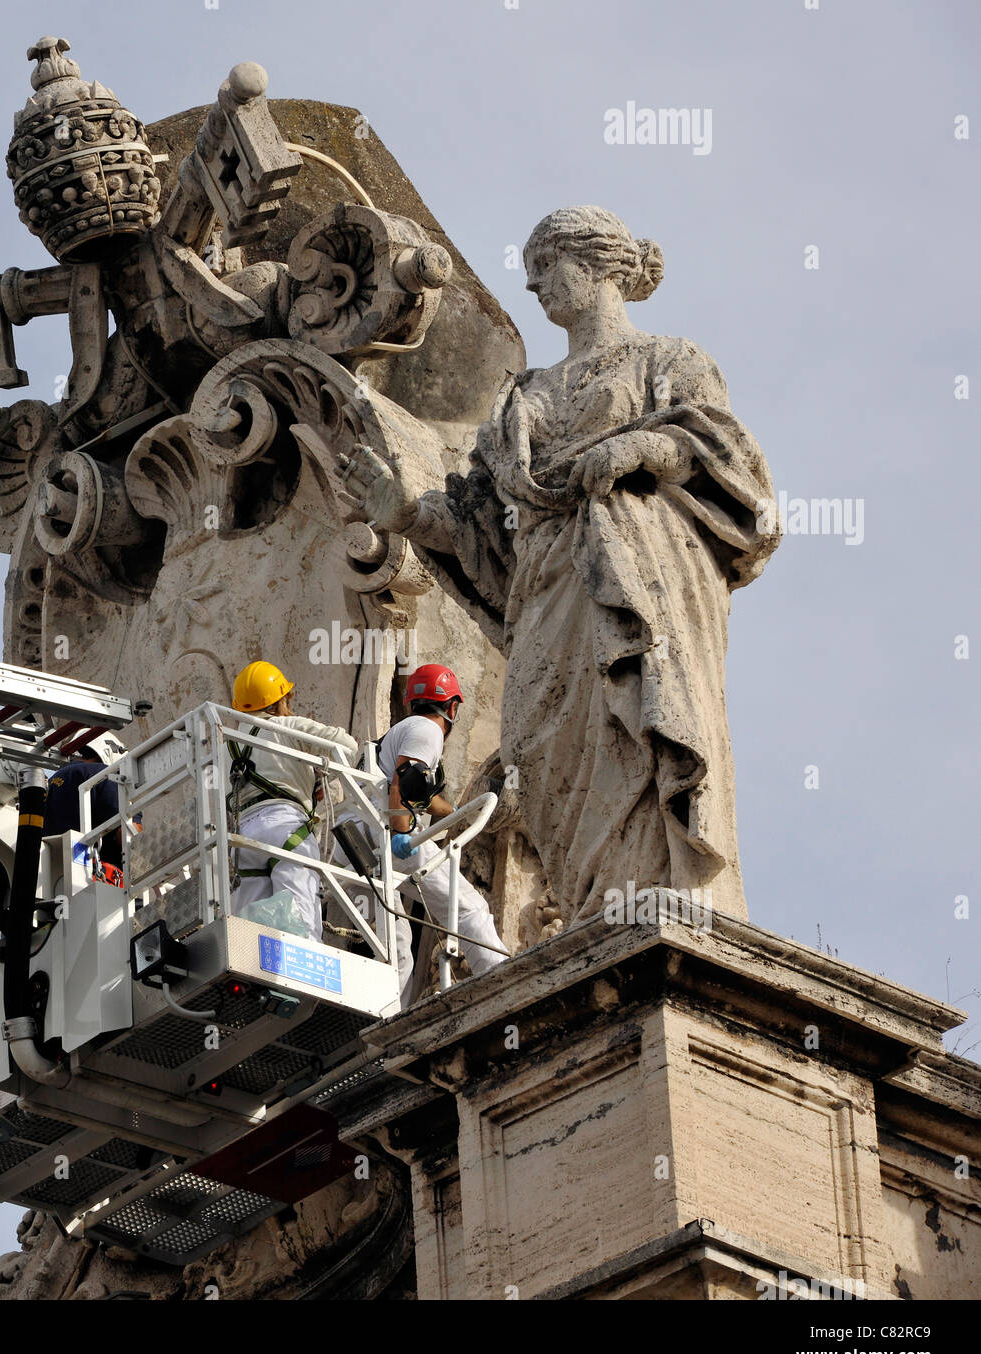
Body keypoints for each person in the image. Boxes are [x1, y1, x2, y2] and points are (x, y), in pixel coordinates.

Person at [336, 207, 779, 927]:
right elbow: (481, 525)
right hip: (546, 588)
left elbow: (730, 463)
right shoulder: (524, 394)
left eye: (546, 263)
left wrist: (642, 451)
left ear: (599, 264)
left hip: (640, 569)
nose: (533, 282)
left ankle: (668, 879)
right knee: (546, 749)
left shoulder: (669, 361)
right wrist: (408, 512)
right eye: (531, 268)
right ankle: (587, 902)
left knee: (639, 716)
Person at [339, 663, 507, 1007]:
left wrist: (461, 811)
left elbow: (424, 797)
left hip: (354, 840)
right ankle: (502, 980)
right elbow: (406, 780)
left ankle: (388, 1019)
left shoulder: (398, 733)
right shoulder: (428, 730)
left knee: (397, 945)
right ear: (453, 707)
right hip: (385, 834)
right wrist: (402, 833)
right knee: (469, 909)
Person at [228, 661, 358, 941]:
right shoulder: (287, 726)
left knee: (251, 936)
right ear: (279, 701)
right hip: (286, 829)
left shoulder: (227, 743)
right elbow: (347, 746)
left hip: (243, 840)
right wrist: (322, 772)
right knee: (302, 926)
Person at [43, 738, 133, 885]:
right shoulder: (105, 775)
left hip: (51, 877)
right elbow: (126, 833)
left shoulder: (50, 782)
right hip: (98, 879)